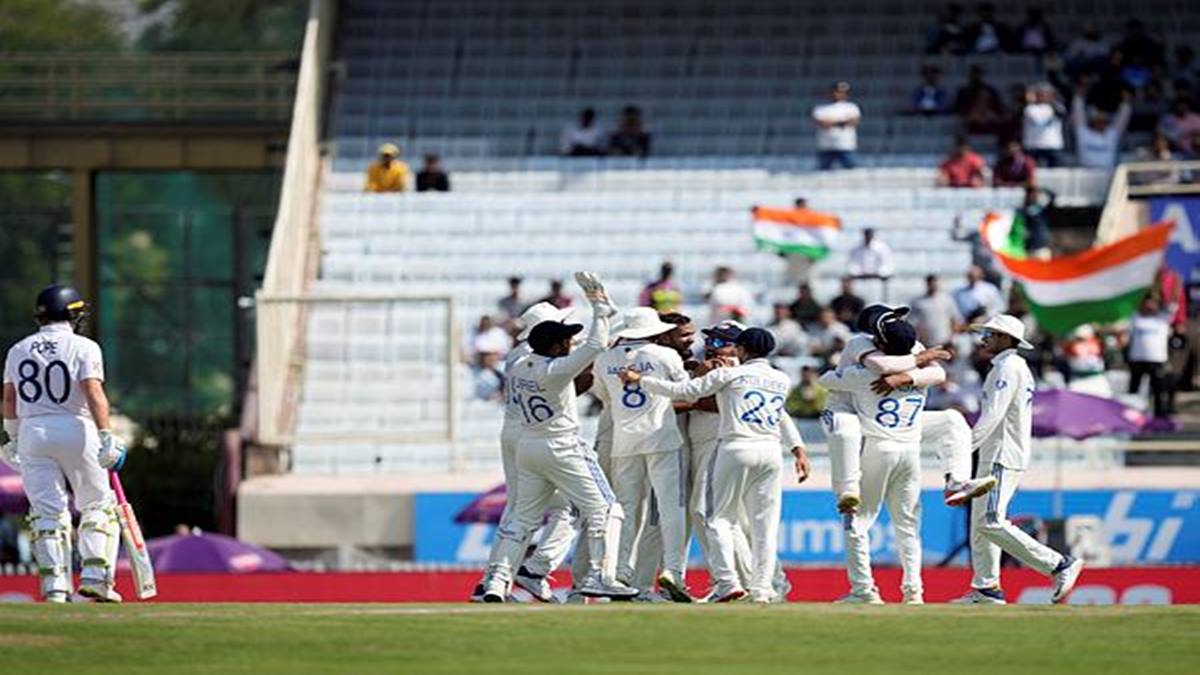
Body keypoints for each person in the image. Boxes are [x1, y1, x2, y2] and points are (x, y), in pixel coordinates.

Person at [622, 328, 811, 603]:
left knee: (717, 518)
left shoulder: (729, 374)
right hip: (771, 452)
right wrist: (798, 449)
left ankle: (727, 581)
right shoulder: (781, 379)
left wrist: (641, 380)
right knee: (765, 526)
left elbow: (684, 391)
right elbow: (780, 414)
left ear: (741, 349)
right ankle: (761, 589)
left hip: (735, 447)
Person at [482, 273, 636, 602]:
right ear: (552, 344)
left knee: (522, 518)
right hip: (562, 445)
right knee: (607, 509)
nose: (570, 342)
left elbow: (574, 357)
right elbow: (593, 347)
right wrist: (600, 309)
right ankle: (600, 576)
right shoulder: (555, 369)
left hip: (528, 446)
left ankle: (496, 580)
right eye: (565, 337)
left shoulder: (518, 361)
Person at [2, 285, 128, 603]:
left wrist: (13, 437)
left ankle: (55, 588)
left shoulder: (18, 349)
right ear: (71, 314)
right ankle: (96, 578)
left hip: (32, 432)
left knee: (47, 513)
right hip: (76, 428)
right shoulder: (85, 347)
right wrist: (106, 435)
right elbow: (93, 392)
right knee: (97, 504)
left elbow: (9, 399)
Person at [954, 315, 1084, 605]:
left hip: (1002, 454)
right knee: (980, 524)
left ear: (1006, 338)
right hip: (994, 453)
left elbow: (993, 415)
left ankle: (1058, 564)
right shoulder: (1007, 366)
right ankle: (986, 588)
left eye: (990, 333)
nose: (984, 338)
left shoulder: (1008, 367)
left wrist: (963, 449)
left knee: (989, 521)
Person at [818, 306, 993, 521]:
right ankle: (847, 490)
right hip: (848, 411)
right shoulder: (860, 343)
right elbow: (881, 366)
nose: (900, 320)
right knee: (847, 431)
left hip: (883, 417)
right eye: (893, 317)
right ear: (877, 331)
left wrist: (905, 377)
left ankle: (957, 482)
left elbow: (938, 373)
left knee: (953, 419)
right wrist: (918, 360)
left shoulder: (906, 340)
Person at [820, 320, 936, 604]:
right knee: (908, 526)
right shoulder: (922, 376)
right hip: (911, 452)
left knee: (858, 520)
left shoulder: (863, 375)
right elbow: (938, 372)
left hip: (878, 449)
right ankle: (914, 592)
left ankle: (863, 590)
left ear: (883, 345)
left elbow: (826, 380)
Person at [469, 302, 577, 603]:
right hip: (535, 435)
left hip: (515, 432)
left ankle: (493, 582)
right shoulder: (539, 358)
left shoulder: (518, 355)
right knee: (568, 507)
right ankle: (534, 569)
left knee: (519, 510)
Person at [592, 308, 692, 602]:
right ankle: (673, 570)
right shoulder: (666, 355)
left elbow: (604, 397)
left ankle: (620, 572)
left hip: (624, 441)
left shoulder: (605, 358)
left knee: (625, 508)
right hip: (662, 438)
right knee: (670, 506)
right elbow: (686, 392)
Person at [1126, 295, 1175, 418]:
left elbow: (1174, 299)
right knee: (1134, 389)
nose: (1149, 306)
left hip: (1157, 360)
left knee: (1159, 390)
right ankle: (1131, 416)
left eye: (1152, 303)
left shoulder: (1163, 318)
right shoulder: (1134, 317)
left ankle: (1160, 416)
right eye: (1146, 303)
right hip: (1137, 359)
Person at [1072, 89, 1132, 170]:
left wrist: (1126, 102)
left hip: (1107, 172)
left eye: (1103, 121)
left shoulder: (1111, 135)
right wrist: (1078, 98)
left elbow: (1123, 119)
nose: (1100, 124)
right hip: (1085, 172)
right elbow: (1078, 114)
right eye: (1098, 121)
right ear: (1093, 122)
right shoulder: (1084, 134)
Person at [812, 81, 861, 170]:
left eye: (842, 92)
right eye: (837, 92)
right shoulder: (821, 108)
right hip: (826, 146)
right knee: (823, 172)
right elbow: (822, 124)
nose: (839, 95)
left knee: (851, 171)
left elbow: (854, 122)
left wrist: (832, 123)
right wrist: (842, 123)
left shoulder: (852, 107)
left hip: (846, 145)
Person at [910, 274, 962, 346]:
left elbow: (955, 319)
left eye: (935, 283)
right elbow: (912, 322)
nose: (933, 285)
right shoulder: (918, 302)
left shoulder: (947, 300)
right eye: (931, 283)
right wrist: (919, 334)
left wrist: (953, 337)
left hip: (945, 341)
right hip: (926, 342)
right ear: (927, 284)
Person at [1022, 83, 1066, 167]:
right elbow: (1037, 121)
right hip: (1033, 146)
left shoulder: (1057, 107)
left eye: (1047, 94)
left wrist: (1052, 101)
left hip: (1053, 145)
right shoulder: (1030, 108)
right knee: (1032, 171)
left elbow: (1061, 114)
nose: (1044, 96)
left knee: (1056, 171)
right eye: (1041, 94)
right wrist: (1030, 100)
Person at [954, 65, 1006, 134]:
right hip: (970, 121)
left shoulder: (989, 90)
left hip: (989, 120)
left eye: (978, 74)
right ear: (970, 76)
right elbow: (958, 108)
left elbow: (998, 106)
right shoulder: (964, 91)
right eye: (973, 74)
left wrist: (991, 114)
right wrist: (969, 114)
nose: (976, 76)